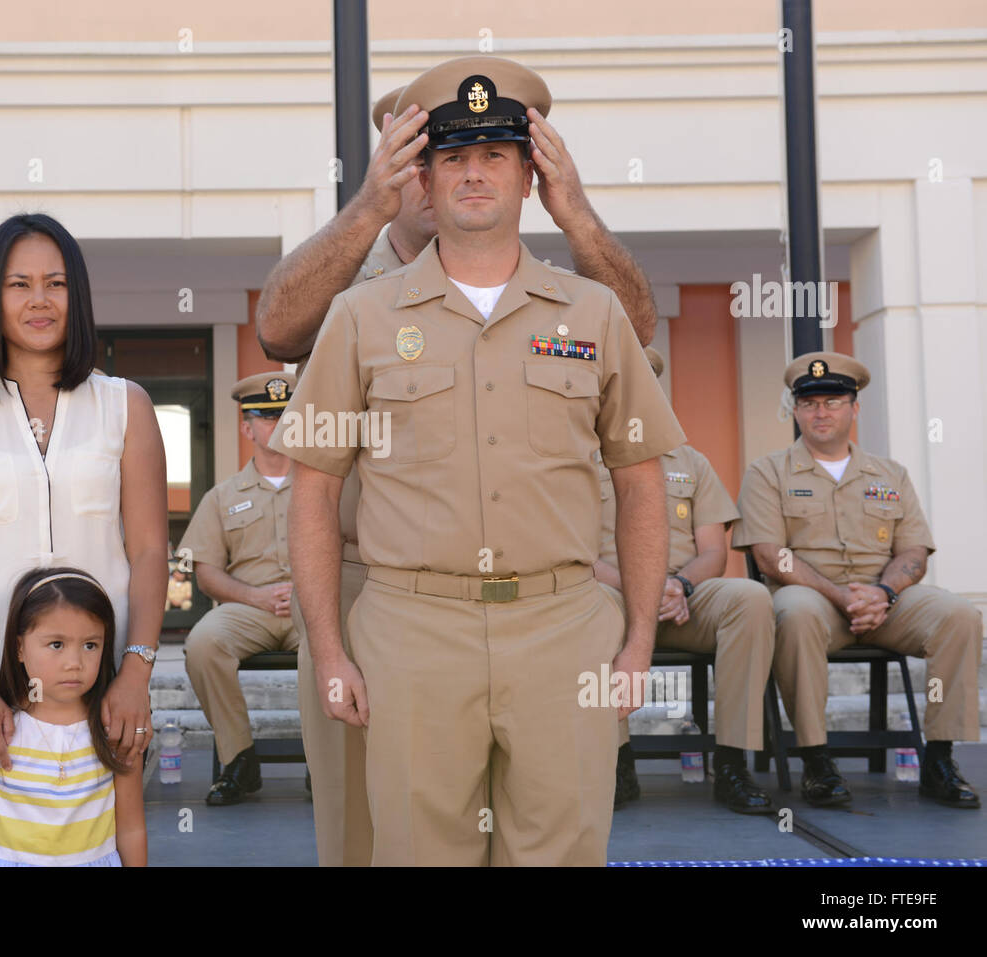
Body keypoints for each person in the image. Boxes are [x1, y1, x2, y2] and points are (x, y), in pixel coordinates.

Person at [273, 56, 685, 865]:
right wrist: (328, 649)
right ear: (415, 170)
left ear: (529, 172)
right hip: (405, 617)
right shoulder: (359, 305)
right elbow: (310, 473)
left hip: (560, 621)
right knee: (401, 846)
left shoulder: (587, 307)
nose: (469, 174)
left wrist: (638, 639)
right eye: (448, 154)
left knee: (562, 847)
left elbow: (641, 476)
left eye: (494, 154)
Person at [0, 213, 169, 840]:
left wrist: (136, 671)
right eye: (18, 284)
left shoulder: (125, 405)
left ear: (76, 297)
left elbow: (151, 549)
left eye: (55, 283)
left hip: (96, 695)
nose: (39, 300)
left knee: (96, 849)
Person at [734, 351, 981, 809]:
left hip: (883, 601)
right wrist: (839, 594)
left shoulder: (891, 475)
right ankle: (817, 761)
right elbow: (770, 555)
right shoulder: (768, 472)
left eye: (833, 401)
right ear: (795, 410)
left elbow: (912, 551)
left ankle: (940, 758)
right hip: (810, 597)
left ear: (855, 408)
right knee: (795, 613)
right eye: (809, 404)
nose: (820, 412)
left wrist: (884, 593)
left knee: (960, 616)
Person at [596, 347, 774, 814]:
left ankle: (734, 762)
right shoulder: (578, 461)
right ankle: (616, 761)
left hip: (684, 600)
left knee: (750, 599)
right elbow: (573, 554)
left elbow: (714, 552)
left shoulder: (689, 462)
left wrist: (681, 587)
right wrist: (644, 590)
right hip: (612, 598)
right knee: (587, 610)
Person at [0, 567, 147, 866]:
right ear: (19, 648)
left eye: (90, 645)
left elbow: (131, 830)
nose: (74, 663)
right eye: (57, 644)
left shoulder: (114, 730)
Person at [178, 372, 300, 805]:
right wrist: (256, 597)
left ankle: (328, 762)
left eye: (285, 415)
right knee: (203, 643)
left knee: (350, 639)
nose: (278, 424)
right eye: (267, 418)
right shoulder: (221, 496)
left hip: (314, 605)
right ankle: (240, 760)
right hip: (251, 607)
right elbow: (206, 571)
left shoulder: (325, 486)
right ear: (247, 428)